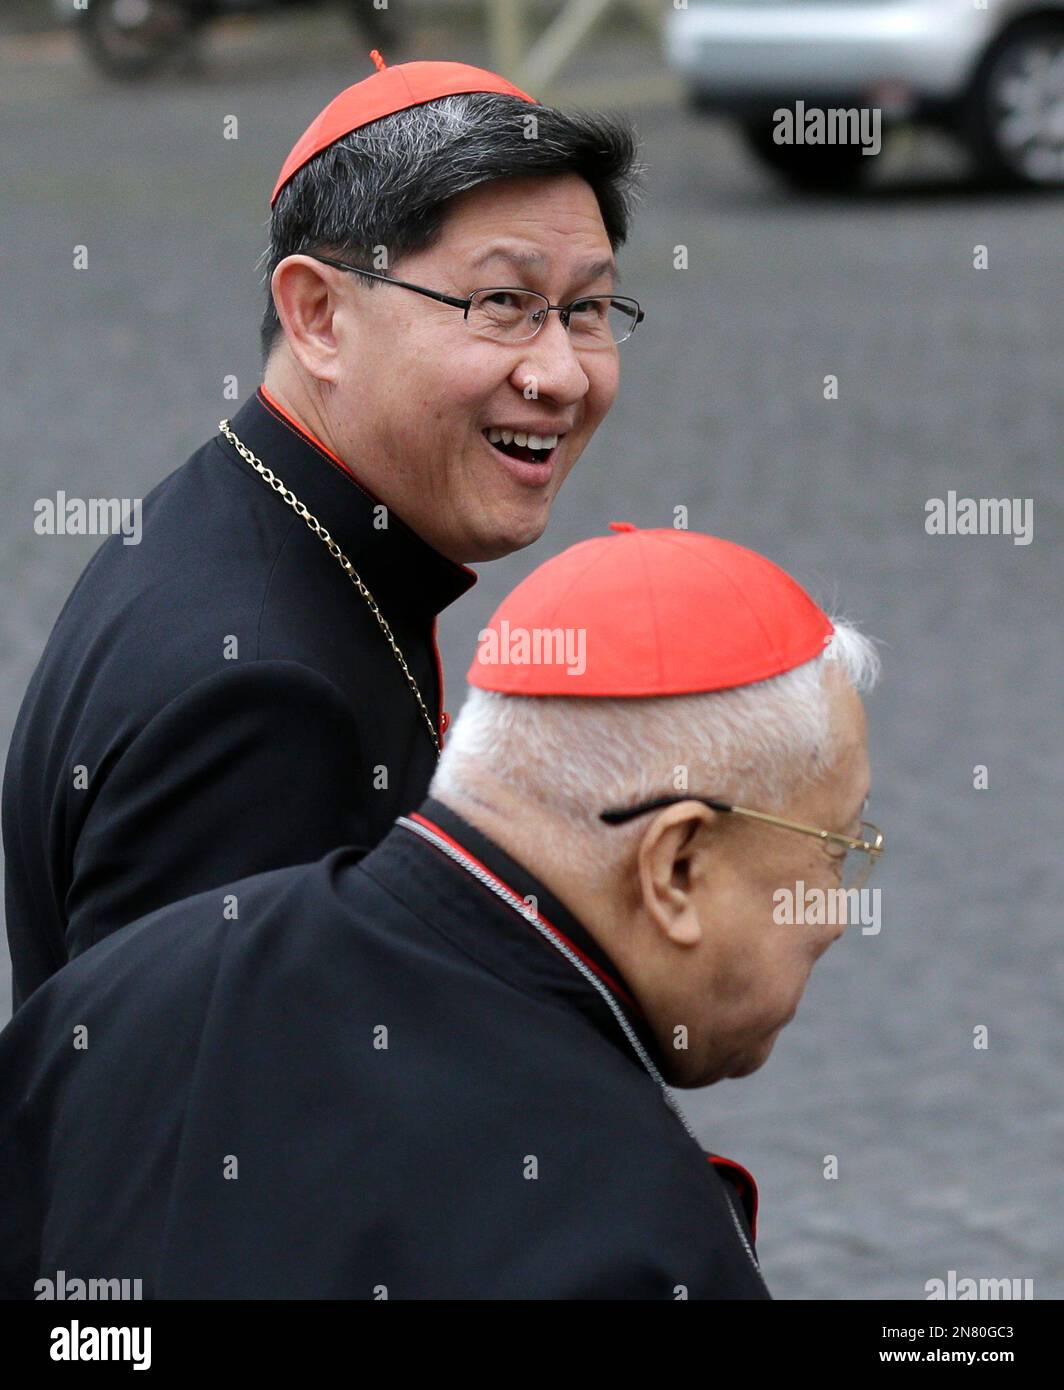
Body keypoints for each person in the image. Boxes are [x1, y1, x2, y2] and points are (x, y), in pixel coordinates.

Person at [0, 525, 882, 1299]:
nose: (838, 915)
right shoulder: (641, 1241)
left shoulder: (117, 992)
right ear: (676, 865)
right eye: (835, 853)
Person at [2, 54, 644, 1010]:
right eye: (503, 304)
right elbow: (194, 1130)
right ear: (320, 316)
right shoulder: (260, 700)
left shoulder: (230, 521)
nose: (560, 374)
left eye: (586, 310)